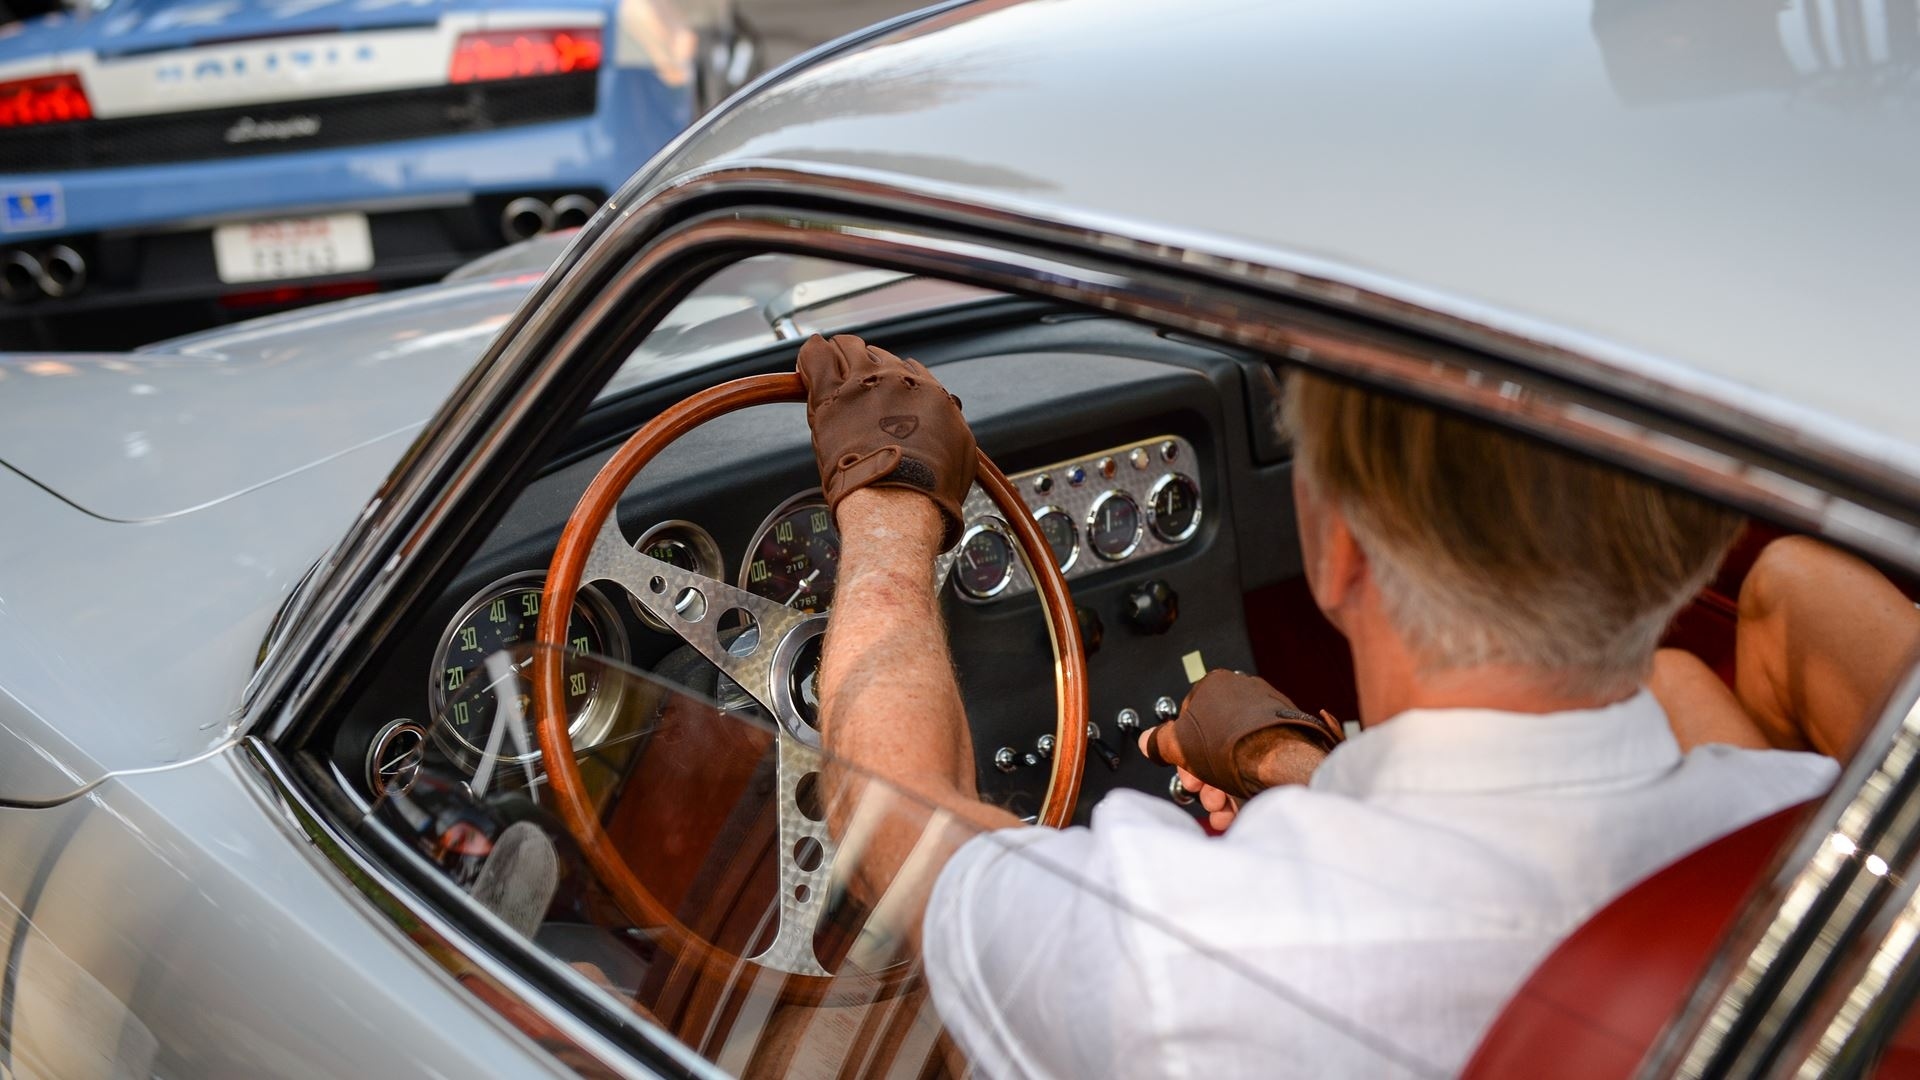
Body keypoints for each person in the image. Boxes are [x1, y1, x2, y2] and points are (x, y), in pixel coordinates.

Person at [795, 333, 1842, 1076]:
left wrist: (888, 504)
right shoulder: (1830, 826)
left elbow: (891, 811)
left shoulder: (1181, 963)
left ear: (1337, 552)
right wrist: (1303, 766)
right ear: (1686, 552)